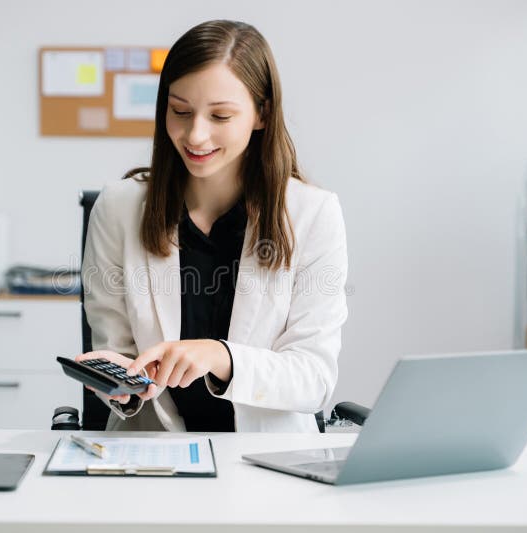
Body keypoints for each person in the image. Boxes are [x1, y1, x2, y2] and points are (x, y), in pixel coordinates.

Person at [77, 19, 348, 433]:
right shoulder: (118, 208)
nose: (195, 135)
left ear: (262, 114)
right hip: (153, 456)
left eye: (220, 115)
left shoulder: (313, 214)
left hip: (265, 461)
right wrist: (118, 380)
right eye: (180, 111)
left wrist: (220, 356)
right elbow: (115, 351)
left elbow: (314, 378)